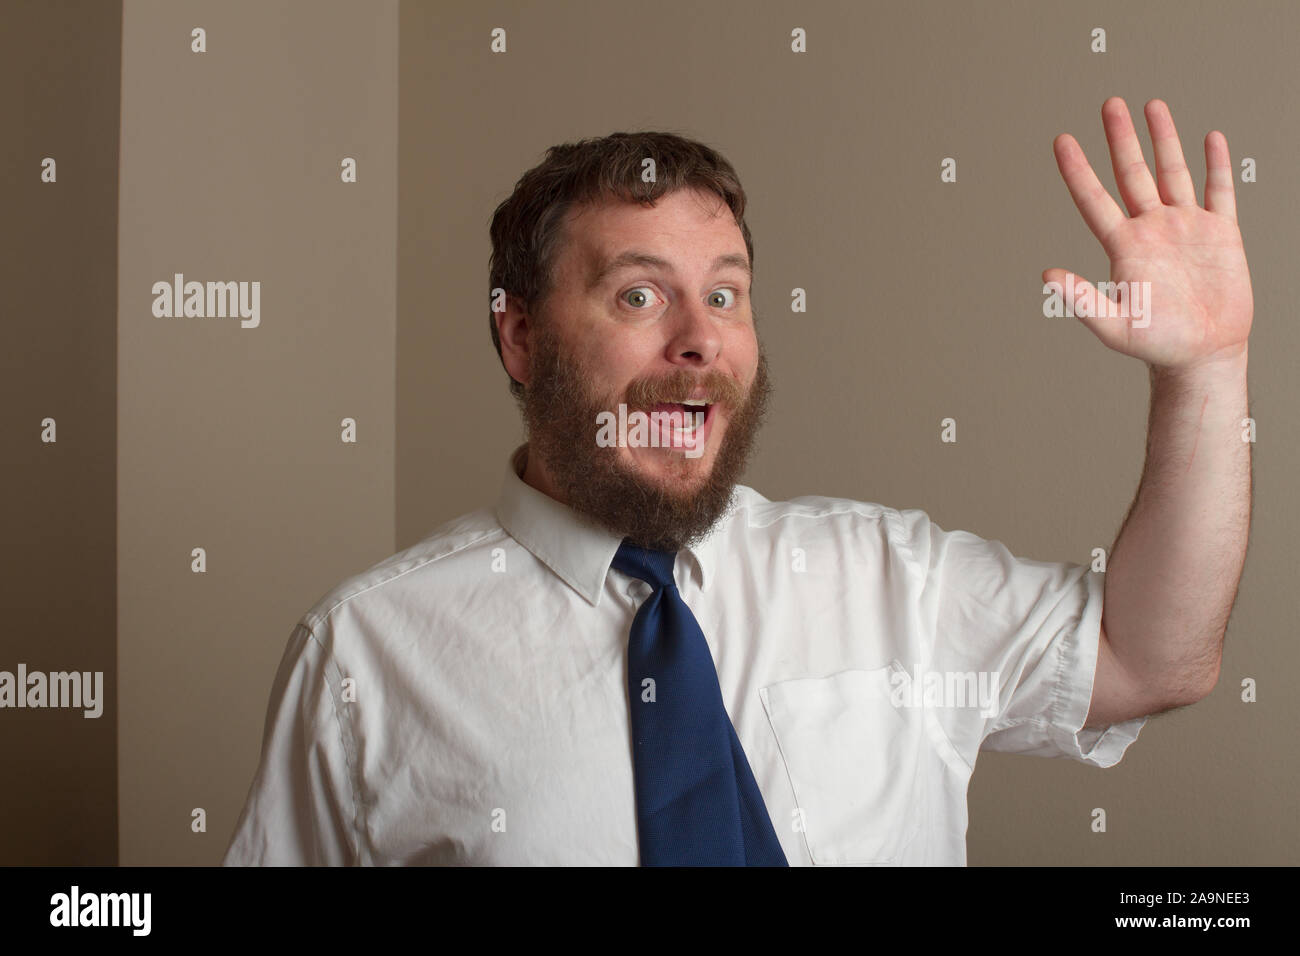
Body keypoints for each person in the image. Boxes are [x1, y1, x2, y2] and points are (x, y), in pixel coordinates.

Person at [223, 98, 1252, 865]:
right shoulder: (365, 654)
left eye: (725, 292)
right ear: (522, 334)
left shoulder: (893, 576)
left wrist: (1203, 371)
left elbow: (1150, 655)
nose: (699, 338)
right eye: (639, 293)